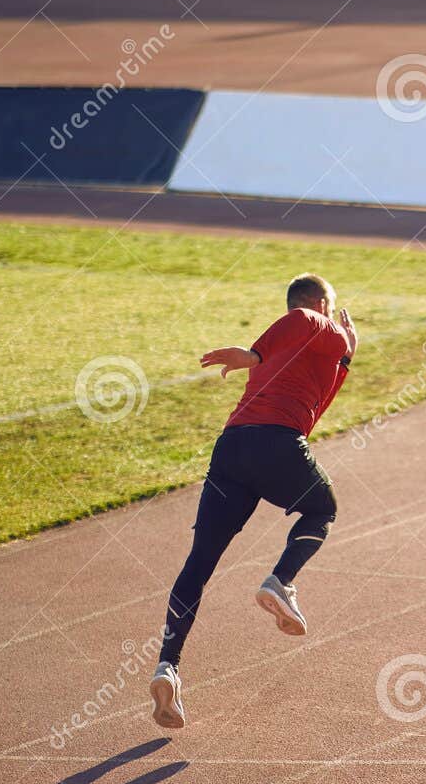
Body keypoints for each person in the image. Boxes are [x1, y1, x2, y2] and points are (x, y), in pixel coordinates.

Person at [148, 273, 358, 729]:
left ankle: (168, 665)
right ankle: (281, 581)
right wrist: (254, 354)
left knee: (199, 562)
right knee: (322, 509)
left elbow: (318, 405)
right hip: (276, 445)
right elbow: (302, 318)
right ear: (323, 303)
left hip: (232, 450)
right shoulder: (315, 321)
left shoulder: (311, 349)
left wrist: (344, 361)